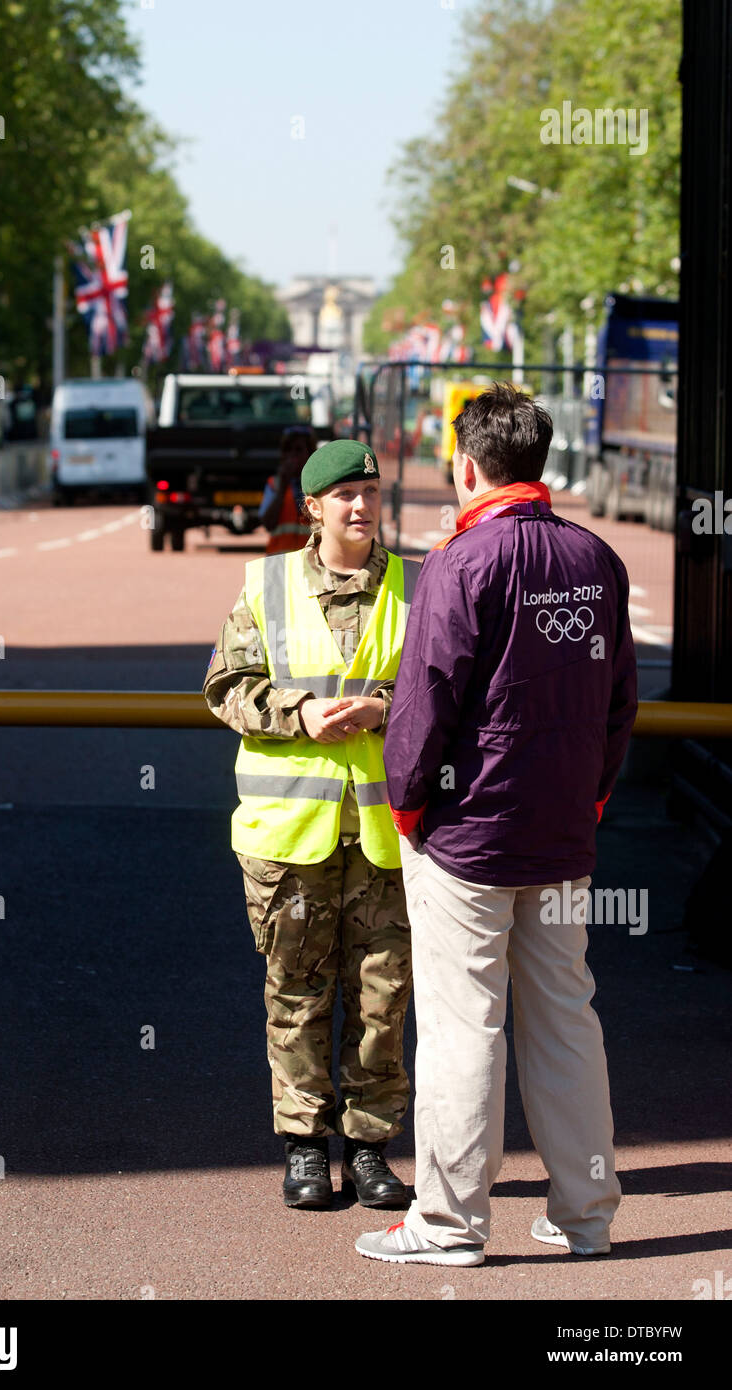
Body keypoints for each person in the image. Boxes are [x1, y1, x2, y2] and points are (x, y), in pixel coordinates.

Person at [356, 383, 638, 1267]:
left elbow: (424, 702)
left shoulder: (460, 562)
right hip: (561, 832)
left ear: (467, 465)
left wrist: (408, 807)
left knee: (461, 1025)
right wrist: (589, 799)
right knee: (567, 1018)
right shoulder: (597, 560)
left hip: (468, 836)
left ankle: (448, 1225)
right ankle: (586, 1214)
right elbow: (620, 703)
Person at [204, 439, 421, 1209]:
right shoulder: (266, 585)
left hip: (385, 835)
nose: (361, 506)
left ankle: (368, 1148)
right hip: (289, 832)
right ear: (315, 507)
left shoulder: (418, 586)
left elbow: (451, 690)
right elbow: (226, 687)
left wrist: (382, 710)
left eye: (371, 491)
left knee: (382, 994)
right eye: (346, 494)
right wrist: (297, 714)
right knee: (296, 989)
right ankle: (303, 1148)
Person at [257, 424, 317, 554]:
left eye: (298, 450)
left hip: (310, 563)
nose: (292, 456)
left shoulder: (318, 486)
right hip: (279, 563)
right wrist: (283, 487)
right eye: (287, 450)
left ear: (310, 454)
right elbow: (268, 523)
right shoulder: (275, 484)